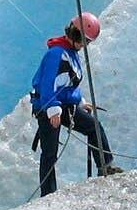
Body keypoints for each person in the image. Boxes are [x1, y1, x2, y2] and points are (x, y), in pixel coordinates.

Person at [30, 13, 121, 196]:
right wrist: (52, 108)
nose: (84, 45)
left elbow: (68, 84)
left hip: (64, 105)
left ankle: (105, 166)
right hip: (48, 106)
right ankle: (47, 194)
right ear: (75, 34)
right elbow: (48, 83)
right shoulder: (56, 54)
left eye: (88, 42)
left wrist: (79, 101)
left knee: (93, 126)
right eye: (84, 40)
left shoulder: (70, 53)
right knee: (50, 152)